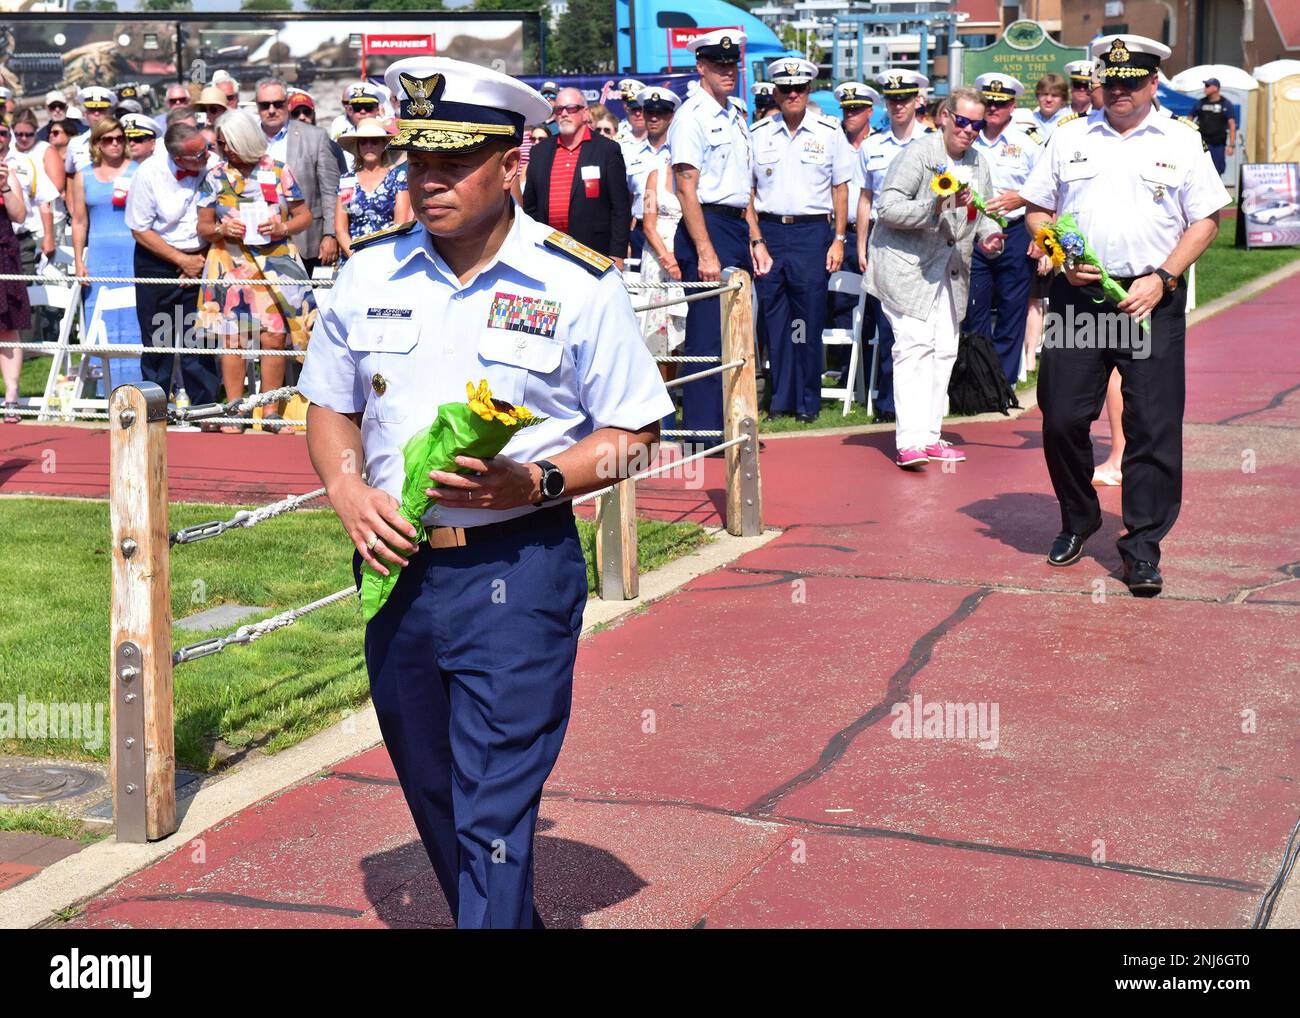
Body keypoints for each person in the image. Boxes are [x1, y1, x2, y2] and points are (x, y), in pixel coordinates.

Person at [297, 56, 672, 929]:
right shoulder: (370, 273)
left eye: (453, 162)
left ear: (511, 165)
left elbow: (636, 438)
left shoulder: (577, 283)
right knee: (435, 793)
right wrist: (346, 488)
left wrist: (537, 480)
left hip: (518, 571)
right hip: (395, 575)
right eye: (417, 161)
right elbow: (328, 406)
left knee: (495, 802)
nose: (428, 182)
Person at [1022, 34, 1229, 596]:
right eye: (1109, 83)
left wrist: (1163, 278)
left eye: (1130, 84)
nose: (1118, 93)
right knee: (1061, 416)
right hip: (1079, 295)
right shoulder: (1068, 137)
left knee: (1152, 428)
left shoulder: (1182, 141)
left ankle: (1141, 547)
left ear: (1151, 84)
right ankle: (1080, 516)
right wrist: (1060, 257)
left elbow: (1207, 218)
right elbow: (1038, 210)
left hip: (1147, 303)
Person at [866, 87, 1004, 470]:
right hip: (906, 268)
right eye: (962, 121)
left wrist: (989, 235)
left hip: (951, 269)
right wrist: (937, 206)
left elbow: (984, 210)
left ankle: (930, 434)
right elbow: (888, 207)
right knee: (913, 347)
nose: (969, 131)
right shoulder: (918, 154)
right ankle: (908, 441)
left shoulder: (979, 163)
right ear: (945, 116)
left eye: (977, 125)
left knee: (944, 349)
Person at [196, 110, 314, 432]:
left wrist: (282, 227)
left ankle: (269, 412)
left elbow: (305, 216)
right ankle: (235, 411)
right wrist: (221, 229)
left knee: (273, 337)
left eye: (225, 143)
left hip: (274, 265)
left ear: (242, 140)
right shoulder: (214, 176)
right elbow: (203, 227)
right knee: (231, 339)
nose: (221, 149)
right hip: (230, 264)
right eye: (219, 143)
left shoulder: (278, 171)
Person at [668, 29, 758, 447]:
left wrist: (756, 238)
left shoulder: (736, 112)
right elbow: (686, 185)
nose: (728, 71)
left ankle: (735, 423)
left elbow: (744, 184)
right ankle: (703, 432)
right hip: (705, 225)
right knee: (707, 335)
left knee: (737, 333)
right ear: (700, 67)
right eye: (718, 65)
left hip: (734, 224)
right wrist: (705, 250)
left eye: (731, 64)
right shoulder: (693, 115)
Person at [750, 58, 852, 423]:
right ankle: (780, 399)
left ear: (808, 91)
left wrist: (839, 238)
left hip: (812, 234)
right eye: (785, 89)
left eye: (800, 88)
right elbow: (749, 191)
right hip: (771, 233)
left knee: (806, 322)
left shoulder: (829, 131)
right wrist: (756, 238)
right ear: (775, 92)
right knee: (775, 321)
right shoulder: (759, 133)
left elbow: (841, 189)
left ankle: (808, 401)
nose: (793, 94)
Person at [124, 122, 222, 408]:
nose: (207, 156)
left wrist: (198, 260)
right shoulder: (148, 174)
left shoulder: (213, 163)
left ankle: (206, 409)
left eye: (206, 148)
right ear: (179, 159)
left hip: (203, 255)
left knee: (200, 337)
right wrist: (181, 261)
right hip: (157, 259)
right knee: (157, 339)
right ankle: (153, 410)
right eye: (199, 154)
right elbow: (139, 229)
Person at [856, 69, 933, 423]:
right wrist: (860, 246)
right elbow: (865, 200)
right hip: (885, 247)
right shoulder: (872, 146)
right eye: (892, 99)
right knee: (889, 329)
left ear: (918, 101)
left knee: (922, 333)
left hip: (923, 248)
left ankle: (922, 405)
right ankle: (890, 405)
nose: (898, 105)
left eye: (904, 98)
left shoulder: (933, 143)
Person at [965, 73, 1042, 387]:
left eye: (1001, 103)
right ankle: (979, 378)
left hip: (1015, 231)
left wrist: (1042, 238)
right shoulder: (968, 139)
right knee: (974, 305)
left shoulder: (1027, 144)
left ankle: (1004, 380)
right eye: (988, 102)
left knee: (1012, 307)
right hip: (973, 232)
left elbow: (1046, 193)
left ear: (1013, 105)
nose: (993, 108)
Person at [70, 117, 144, 392]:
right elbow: (79, 220)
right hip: (99, 257)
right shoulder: (83, 175)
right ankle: (106, 389)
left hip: (132, 253)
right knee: (102, 320)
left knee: (134, 318)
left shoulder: (138, 171)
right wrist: (79, 260)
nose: (114, 144)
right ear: (97, 143)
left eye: (119, 139)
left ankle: (138, 388)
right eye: (107, 139)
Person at [522, 88, 630, 263]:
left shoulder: (607, 150)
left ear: (585, 113)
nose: (564, 114)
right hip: (547, 251)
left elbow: (620, 207)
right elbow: (530, 208)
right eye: (559, 109)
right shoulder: (540, 152)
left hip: (593, 251)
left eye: (571, 108)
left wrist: (617, 254)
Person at [255, 77, 339, 273]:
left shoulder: (315, 137)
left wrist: (330, 234)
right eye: (265, 105)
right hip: (260, 241)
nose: (272, 110)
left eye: (278, 104)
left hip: (308, 242)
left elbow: (330, 191)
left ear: (287, 103)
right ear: (257, 106)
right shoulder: (247, 138)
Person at [826, 80, 878, 390]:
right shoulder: (834, 143)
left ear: (870, 112)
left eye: (856, 110)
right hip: (840, 234)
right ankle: (848, 372)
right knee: (843, 304)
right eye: (846, 109)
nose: (850, 115)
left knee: (875, 305)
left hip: (873, 232)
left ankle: (872, 371)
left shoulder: (880, 144)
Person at [635, 87, 686, 367]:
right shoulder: (654, 176)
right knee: (658, 328)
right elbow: (649, 223)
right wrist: (668, 259)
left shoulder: (693, 176)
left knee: (683, 324)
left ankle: (683, 391)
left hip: (686, 255)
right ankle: (662, 398)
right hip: (658, 258)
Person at [335, 118, 411, 262]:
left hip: (388, 257)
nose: (369, 146)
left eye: (374, 141)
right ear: (357, 147)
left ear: (383, 145)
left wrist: (379, 261)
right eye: (363, 142)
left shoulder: (398, 178)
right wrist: (355, 259)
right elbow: (341, 228)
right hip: (353, 259)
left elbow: (400, 224)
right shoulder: (347, 181)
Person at [623, 88, 675, 269]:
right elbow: (625, 197)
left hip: (674, 229)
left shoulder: (679, 151)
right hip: (638, 230)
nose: (654, 118)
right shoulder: (628, 153)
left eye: (660, 113)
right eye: (650, 112)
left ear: (670, 116)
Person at [0, 157, 31, 423]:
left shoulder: (6, 173)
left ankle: (11, 396)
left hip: (3, 253)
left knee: (8, 326)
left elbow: (19, 215)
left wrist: (4, 188)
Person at [66, 87, 117, 179]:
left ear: (109, 113)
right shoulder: (75, 144)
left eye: (101, 109)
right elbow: (70, 175)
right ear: (85, 114)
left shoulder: (120, 141)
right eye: (92, 110)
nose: (96, 114)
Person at [1191, 78, 1237, 176]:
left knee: (1216, 172)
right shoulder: (1200, 103)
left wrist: (1231, 145)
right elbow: (1189, 119)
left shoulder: (1226, 104)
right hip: (1202, 144)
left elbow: (1232, 125)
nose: (1205, 88)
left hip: (1218, 144)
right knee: (1200, 172)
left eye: (1207, 86)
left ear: (1215, 88)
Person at [614, 78, 646, 149]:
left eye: (641, 109)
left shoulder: (656, 130)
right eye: (634, 109)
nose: (637, 113)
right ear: (626, 107)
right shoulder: (615, 131)